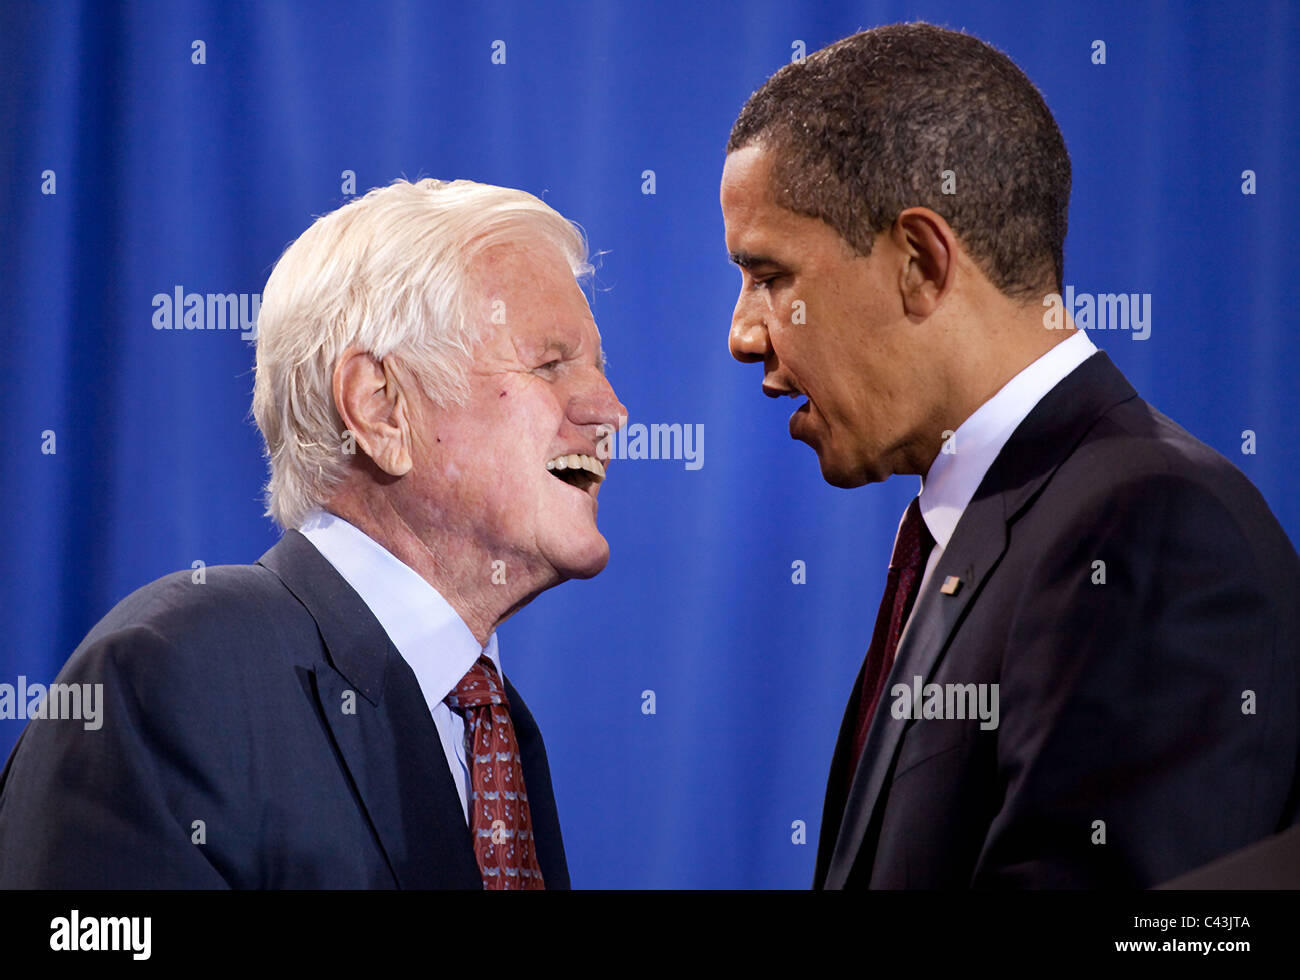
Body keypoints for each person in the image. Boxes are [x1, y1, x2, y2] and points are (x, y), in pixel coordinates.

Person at [721, 23, 1300, 888]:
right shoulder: (988, 528)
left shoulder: (1148, 529)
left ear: (920, 261)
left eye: (769, 276)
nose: (743, 334)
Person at [0, 177, 625, 888]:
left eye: (599, 369)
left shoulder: (497, 729)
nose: (610, 409)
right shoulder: (171, 676)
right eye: (550, 363)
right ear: (381, 408)